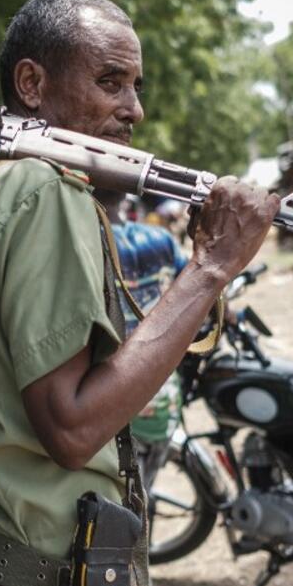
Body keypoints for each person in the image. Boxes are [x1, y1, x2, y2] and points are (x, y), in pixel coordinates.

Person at [0, 0, 278, 586]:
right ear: (32, 84)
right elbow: (71, 427)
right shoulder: (45, 192)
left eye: (135, 86)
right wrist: (212, 267)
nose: (134, 109)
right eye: (110, 82)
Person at [93, 189, 188, 490]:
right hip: (161, 406)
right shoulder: (161, 240)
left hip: (108, 416)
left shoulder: (83, 244)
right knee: (143, 503)